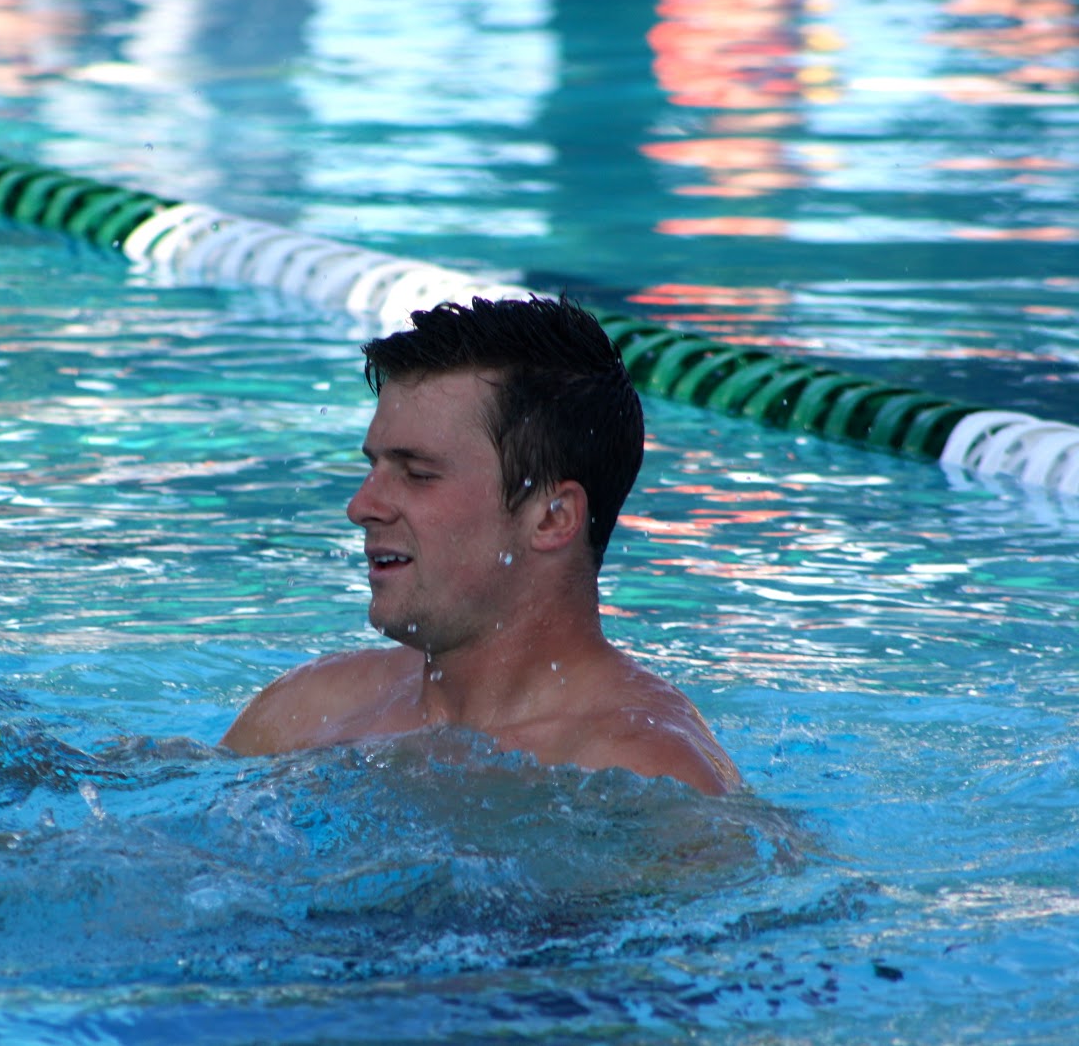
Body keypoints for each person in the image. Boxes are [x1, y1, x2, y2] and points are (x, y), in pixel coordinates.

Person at [220, 295, 741, 795]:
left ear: (552, 517)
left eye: (418, 474)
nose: (362, 506)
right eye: (374, 467)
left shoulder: (649, 777)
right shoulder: (311, 709)